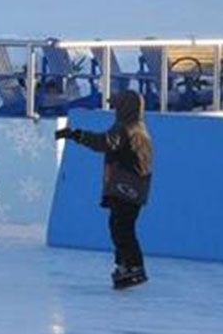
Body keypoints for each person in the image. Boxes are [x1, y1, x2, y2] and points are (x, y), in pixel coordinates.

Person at [55, 90, 153, 289]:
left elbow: (105, 142)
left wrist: (77, 135)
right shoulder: (135, 127)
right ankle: (125, 263)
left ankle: (133, 266)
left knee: (121, 227)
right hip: (131, 186)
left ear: (126, 107)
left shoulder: (127, 128)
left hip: (128, 186)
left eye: (117, 106)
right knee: (120, 225)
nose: (114, 110)